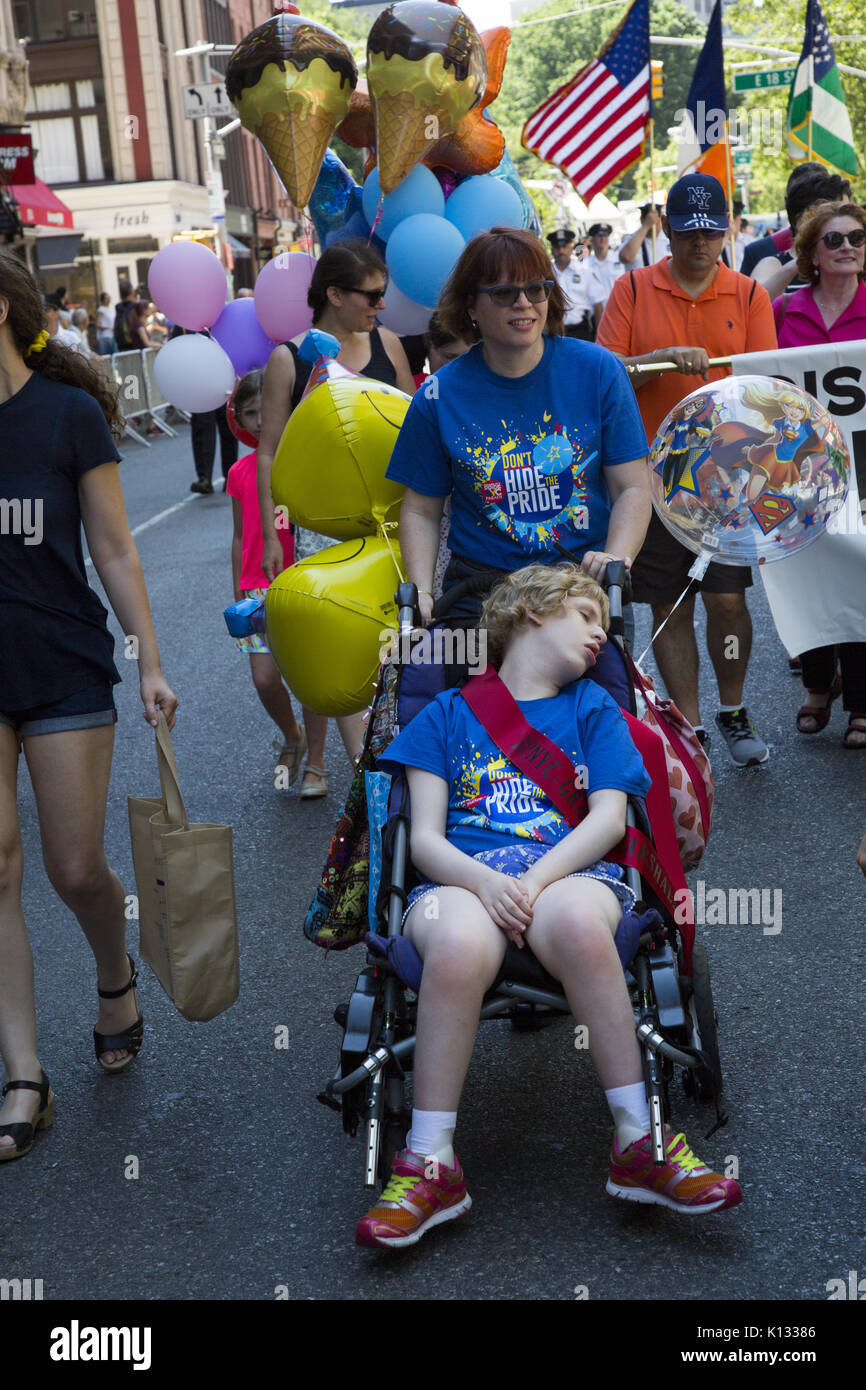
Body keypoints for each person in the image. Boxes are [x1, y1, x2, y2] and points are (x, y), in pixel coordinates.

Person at [355, 564, 742, 1248]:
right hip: (463, 880)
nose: (600, 635)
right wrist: (487, 884)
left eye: (602, 621)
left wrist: (533, 881)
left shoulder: (594, 709)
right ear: (532, 611)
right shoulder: (445, 715)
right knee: (453, 939)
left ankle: (638, 1140)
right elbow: (424, 840)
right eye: (585, 617)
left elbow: (609, 823)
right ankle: (430, 1159)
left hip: (568, 873)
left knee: (574, 921)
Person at [0, 251, 178, 1161]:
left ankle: (114, 971)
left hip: (62, 661)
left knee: (74, 869)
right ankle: (24, 1073)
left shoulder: (66, 417)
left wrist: (148, 658)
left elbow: (114, 550)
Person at [386, 226, 651, 647]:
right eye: (504, 292)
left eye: (536, 289)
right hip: (478, 595)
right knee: (471, 711)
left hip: (580, 587)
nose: (524, 303)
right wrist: (420, 591)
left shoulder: (599, 371)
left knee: (598, 711)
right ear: (470, 304)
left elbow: (633, 487)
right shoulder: (437, 395)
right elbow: (420, 509)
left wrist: (617, 558)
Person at [598, 172, 777, 766]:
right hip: (653, 476)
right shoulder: (632, 287)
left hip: (725, 483)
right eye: (687, 229)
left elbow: (766, 386)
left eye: (711, 229)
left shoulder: (748, 293)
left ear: (726, 230)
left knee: (727, 602)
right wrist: (658, 361)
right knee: (666, 603)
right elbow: (608, 373)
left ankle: (732, 709)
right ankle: (689, 727)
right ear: (667, 230)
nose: (700, 241)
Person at [257, 240, 415, 795]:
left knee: (396, 633)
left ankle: (391, 758)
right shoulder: (290, 358)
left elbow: (413, 424)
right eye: (371, 295)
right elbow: (269, 450)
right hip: (321, 525)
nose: (380, 306)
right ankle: (366, 777)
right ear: (333, 294)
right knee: (336, 631)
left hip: (392, 520)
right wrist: (275, 529)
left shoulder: (388, 344)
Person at [773, 200, 866, 749]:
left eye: (857, 237)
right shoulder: (786, 309)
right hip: (797, 469)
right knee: (806, 577)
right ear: (811, 252)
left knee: (856, 577)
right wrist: (791, 262)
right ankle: (815, 685)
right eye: (833, 240)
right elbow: (750, 301)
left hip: (863, 469)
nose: (848, 247)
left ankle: (860, 702)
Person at [225, 369, 310, 784]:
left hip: (303, 578)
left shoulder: (297, 464)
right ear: (238, 418)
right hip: (257, 586)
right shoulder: (240, 473)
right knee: (263, 677)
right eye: (251, 412)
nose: (260, 421)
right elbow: (240, 534)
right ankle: (291, 734)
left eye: (268, 410)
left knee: (312, 674)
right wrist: (237, 584)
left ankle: (318, 760)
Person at [741, 164, 851, 291]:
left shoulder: (856, 262)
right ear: (807, 218)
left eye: (851, 211)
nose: (851, 219)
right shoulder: (772, 266)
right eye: (840, 213)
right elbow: (756, 305)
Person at [168, 323, 239, 494]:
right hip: (198, 384)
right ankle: (204, 478)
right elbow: (173, 353)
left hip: (224, 380)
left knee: (228, 427)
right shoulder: (184, 325)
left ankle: (230, 476)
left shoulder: (223, 318)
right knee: (202, 428)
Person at [547, 228, 596, 340]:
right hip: (552, 332)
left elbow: (597, 304)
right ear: (552, 249)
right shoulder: (545, 273)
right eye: (557, 247)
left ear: (571, 247)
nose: (561, 251)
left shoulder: (584, 271)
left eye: (564, 246)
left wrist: (599, 335)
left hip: (580, 331)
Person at [583, 222, 623, 326]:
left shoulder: (619, 259)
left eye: (605, 236)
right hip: (595, 318)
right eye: (599, 236)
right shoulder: (585, 265)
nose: (603, 239)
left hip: (618, 314)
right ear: (592, 240)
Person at [618, 202, 669, 268]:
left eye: (656, 221)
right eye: (651, 221)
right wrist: (646, 226)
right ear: (642, 220)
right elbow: (626, 257)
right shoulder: (631, 239)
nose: (654, 224)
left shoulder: (668, 239)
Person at [96, 291, 115, 355]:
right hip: (105, 336)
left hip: (112, 335)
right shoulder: (101, 310)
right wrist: (108, 327)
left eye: (109, 298)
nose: (108, 299)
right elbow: (98, 324)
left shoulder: (111, 309)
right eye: (106, 298)